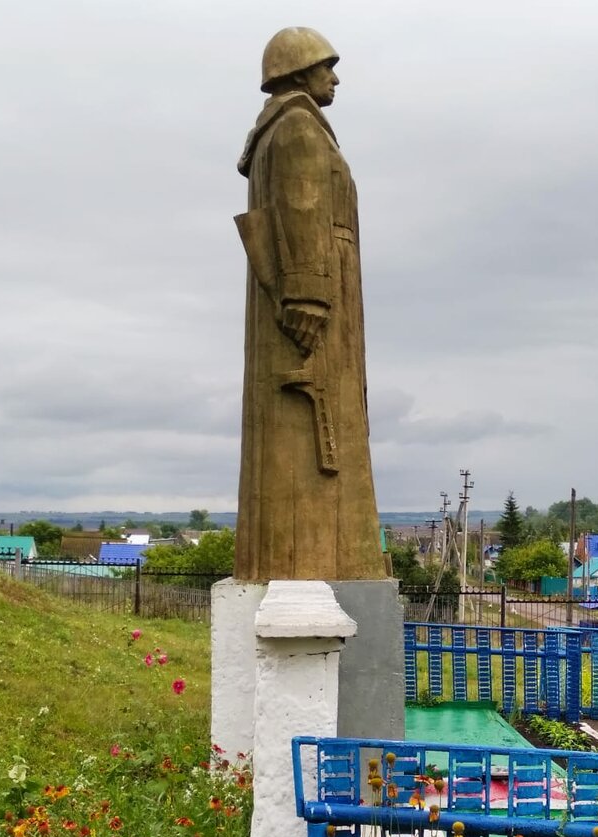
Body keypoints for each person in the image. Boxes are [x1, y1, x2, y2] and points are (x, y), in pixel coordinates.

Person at [233, 27, 386, 582]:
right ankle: (314, 561)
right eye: (327, 68)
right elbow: (300, 207)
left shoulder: (289, 127)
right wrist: (307, 294)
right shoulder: (297, 127)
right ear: (299, 72)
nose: (335, 78)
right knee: (320, 434)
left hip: (323, 278)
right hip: (316, 285)